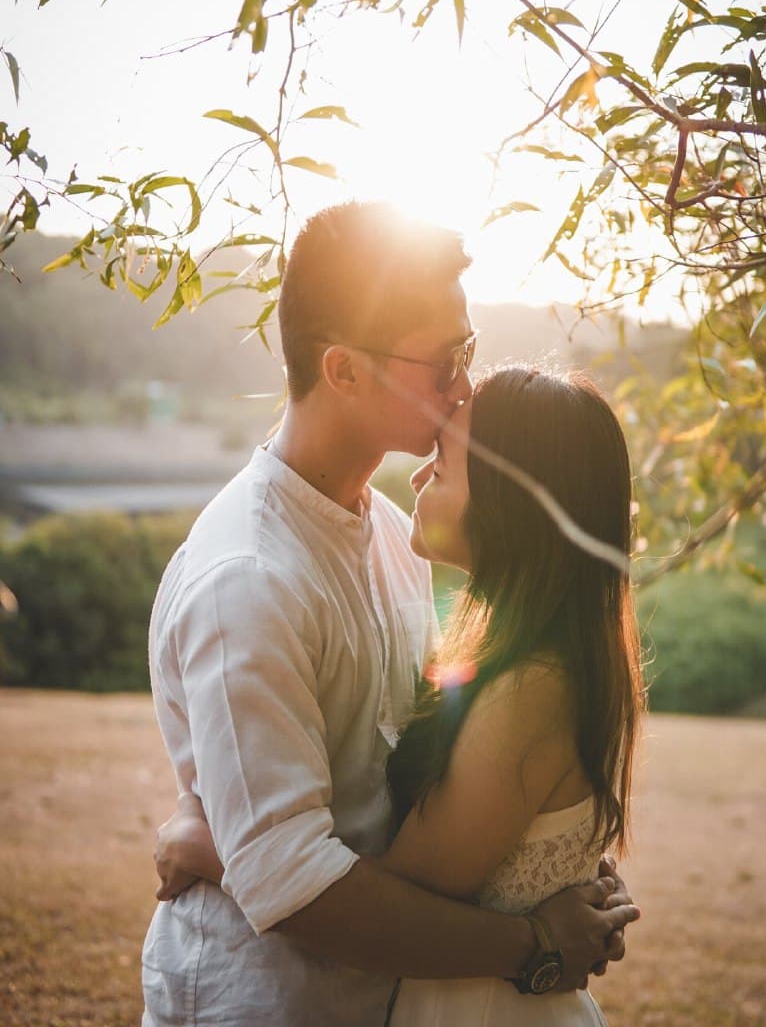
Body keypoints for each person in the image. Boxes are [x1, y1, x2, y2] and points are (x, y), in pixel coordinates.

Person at [143, 201, 640, 1027]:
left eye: (468, 351)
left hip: (398, 992)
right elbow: (291, 886)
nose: (464, 387)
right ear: (342, 371)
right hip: (267, 1000)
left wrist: (554, 871)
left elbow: (449, 778)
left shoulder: (395, 536)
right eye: (445, 360)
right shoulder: (248, 580)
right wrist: (532, 940)